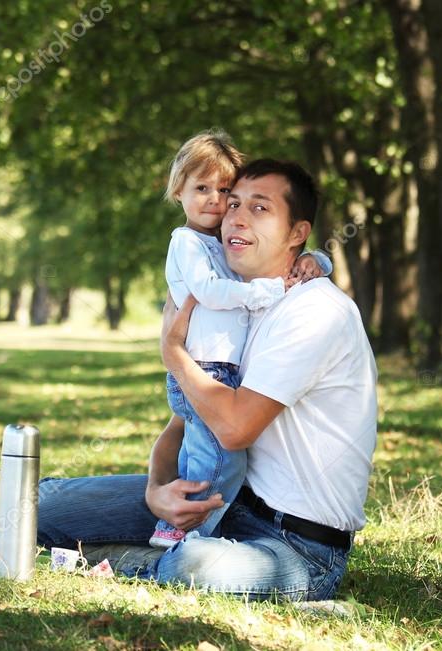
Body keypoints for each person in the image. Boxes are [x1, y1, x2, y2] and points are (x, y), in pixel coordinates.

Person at [37, 158, 377, 601]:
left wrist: (176, 357)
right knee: (42, 505)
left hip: (296, 545)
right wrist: (157, 493)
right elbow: (183, 424)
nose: (236, 217)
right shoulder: (234, 306)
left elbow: (234, 429)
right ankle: (104, 552)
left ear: (298, 233)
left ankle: (103, 561)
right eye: (233, 203)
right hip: (226, 503)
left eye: (259, 208)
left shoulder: (315, 312)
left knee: (192, 564)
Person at [150, 130, 332, 548]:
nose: (217, 202)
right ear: (178, 192)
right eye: (203, 189)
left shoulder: (220, 246)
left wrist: (317, 259)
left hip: (213, 366)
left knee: (204, 452)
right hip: (206, 366)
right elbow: (210, 292)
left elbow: (262, 262)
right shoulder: (186, 242)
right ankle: (183, 533)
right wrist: (269, 290)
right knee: (218, 459)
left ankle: (179, 537)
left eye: (225, 193)